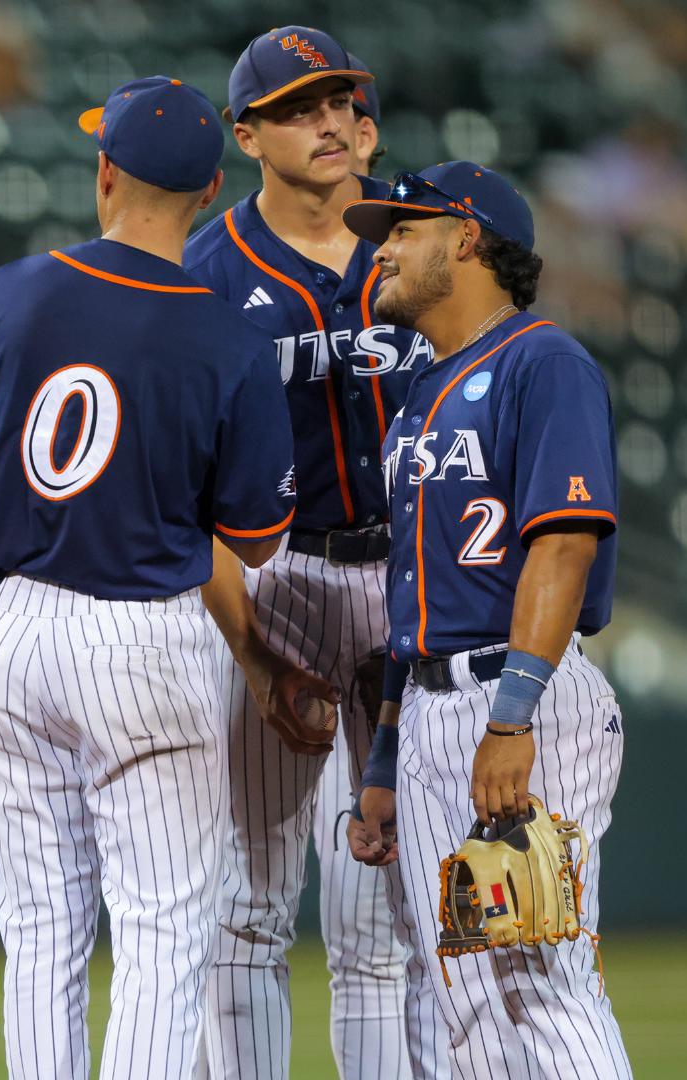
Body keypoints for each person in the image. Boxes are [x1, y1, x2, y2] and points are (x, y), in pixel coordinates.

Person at [0, 75, 297, 1079]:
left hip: (6, 631)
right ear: (212, 191)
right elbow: (258, 540)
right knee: (163, 931)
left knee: (41, 927)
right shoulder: (230, 339)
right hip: (142, 634)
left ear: (104, 173)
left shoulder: (6, 291)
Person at [181, 26, 448, 1080]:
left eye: (339, 100)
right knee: (250, 905)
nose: (328, 122)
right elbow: (190, 489)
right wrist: (248, 647)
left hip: (411, 578)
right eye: (297, 108)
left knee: (384, 914)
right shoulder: (208, 270)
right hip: (276, 577)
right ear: (246, 136)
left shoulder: (424, 238)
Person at [343, 162, 633, 1079]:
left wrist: (512, 719)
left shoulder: (543, 362)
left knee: (544, 978)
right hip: (434, 707)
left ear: (466, 238)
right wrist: (385, 758)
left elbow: (565, 546)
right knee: (467, 998)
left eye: (403, 229)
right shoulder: (424, 393)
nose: (381, 249)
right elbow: (412, 595)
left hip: (518, 695)